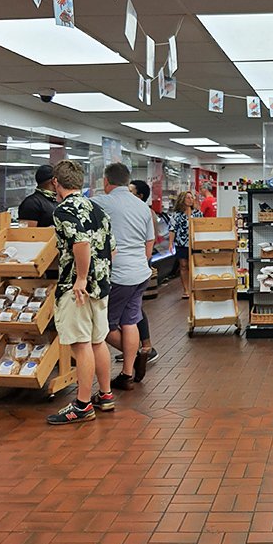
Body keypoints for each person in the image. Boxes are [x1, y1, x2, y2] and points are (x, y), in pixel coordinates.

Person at [46, 160, 116, 425]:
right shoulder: (99, 209)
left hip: (77, 287)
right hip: (102, 286)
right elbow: (112, 249)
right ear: (82, 182)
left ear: (56, 183)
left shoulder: (63, 210)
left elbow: (81, 243)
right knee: (98, 341)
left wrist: (81, 279)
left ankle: (83, 405)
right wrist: (99, 277)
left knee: (81, 344)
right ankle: (106, 394)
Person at [93, 163, 155, 390]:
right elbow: (150, 242)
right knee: (130, 320)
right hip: (140, 272)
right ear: (128, 181)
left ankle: (137, 356)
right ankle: (127, 373)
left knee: (104, 325)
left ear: (105, 182)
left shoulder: (101, 202)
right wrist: (142, 262)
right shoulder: (142, 207)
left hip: (117, 274)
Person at [123, 178, 159, 367]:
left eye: (130, 191)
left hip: (138, 265)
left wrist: (144, 262)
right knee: (132, 309)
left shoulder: (146, 212)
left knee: (134, 308)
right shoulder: (135, 210)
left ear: (140, 196)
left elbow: (149, 241)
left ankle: (145, 347)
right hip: (137, 264)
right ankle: (134, 348)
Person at [168, 191, 203, 299]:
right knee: (183, 266)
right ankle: (186, 289)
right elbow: (172, 229)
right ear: (182, 199)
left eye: (191, 198)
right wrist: (170, 244)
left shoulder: (198, 213)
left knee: (195, 265)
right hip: (181, 243)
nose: (190, 200)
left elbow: (203, 227)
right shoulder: (176, 215)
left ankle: (195, 287)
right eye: (188, 198)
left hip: (195, 243)